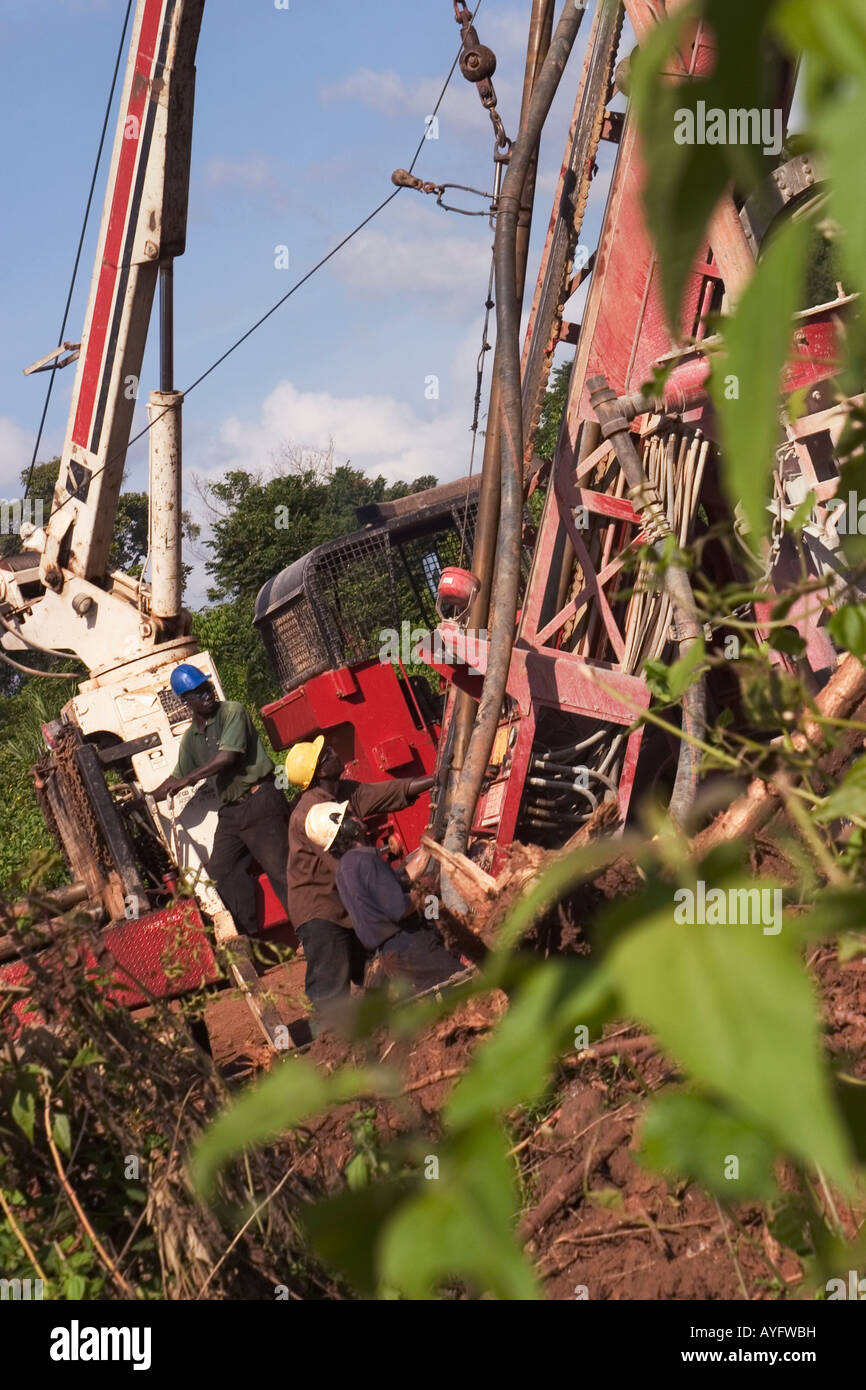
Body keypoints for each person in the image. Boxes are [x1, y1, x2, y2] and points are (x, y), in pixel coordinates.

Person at [284, 736, 433, 1031]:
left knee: (378, 968)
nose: (334, 752)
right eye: (326, 753)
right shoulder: (309, 815)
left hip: (344, 904)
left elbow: (388, 792)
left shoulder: (342, 793)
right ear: (320, 771)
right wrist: (400, 881)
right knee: (330, 987)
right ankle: (327, 1052)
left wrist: (438, 779)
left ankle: (382, 1030)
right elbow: (345, 867)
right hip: (320, 911)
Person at [152, 663, 290, 937]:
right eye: (197, 691)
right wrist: (144, 799)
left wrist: (187, 781)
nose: (207, 693)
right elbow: (174, 778)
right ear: (184, 701)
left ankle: (315, 935)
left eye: (207, 686)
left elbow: (227, 757)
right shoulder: (191, 739)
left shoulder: (232, 712)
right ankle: (252, 936)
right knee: (221, 871)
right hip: (233, 812)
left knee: (281, 870)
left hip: (260, 798)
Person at [305, 800, 462, 992]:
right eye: (350, 815)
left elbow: (403, 877)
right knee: (465, 986)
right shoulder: (365, 861)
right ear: (347, 827)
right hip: (411, 946)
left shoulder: (347, 867)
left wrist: (427, 847)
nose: (357, 816)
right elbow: (400, 908)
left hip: (390, 954)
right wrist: (423, 890)